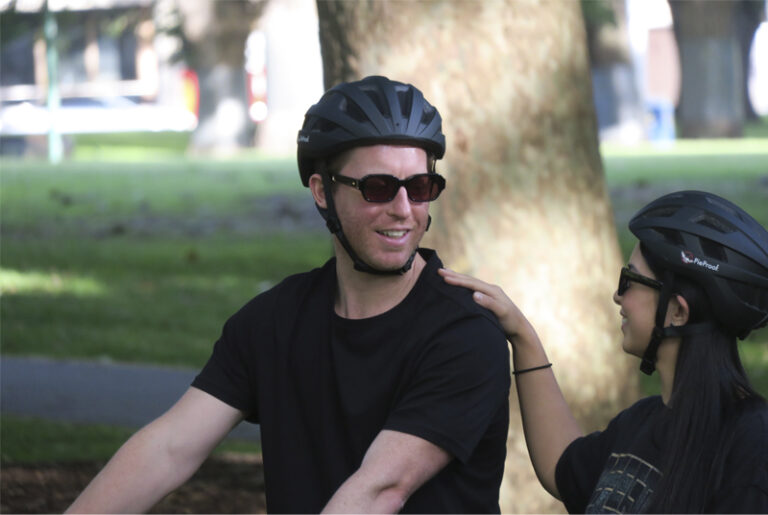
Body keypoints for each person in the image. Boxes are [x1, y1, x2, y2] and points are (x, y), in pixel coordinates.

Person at [66, 75, 510, 514]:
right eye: (377, 188)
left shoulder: (464, 333)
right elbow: (168, 449)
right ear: (322, 192)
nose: (403, 209)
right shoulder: (275, 322)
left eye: (418, 188)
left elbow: (381, 490)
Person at [440, 190, 768, 513]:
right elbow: (563, 467)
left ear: (678, 311)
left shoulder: (751, 446)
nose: (617, 295)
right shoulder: (643, 422)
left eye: (630, 279)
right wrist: (522, 335)